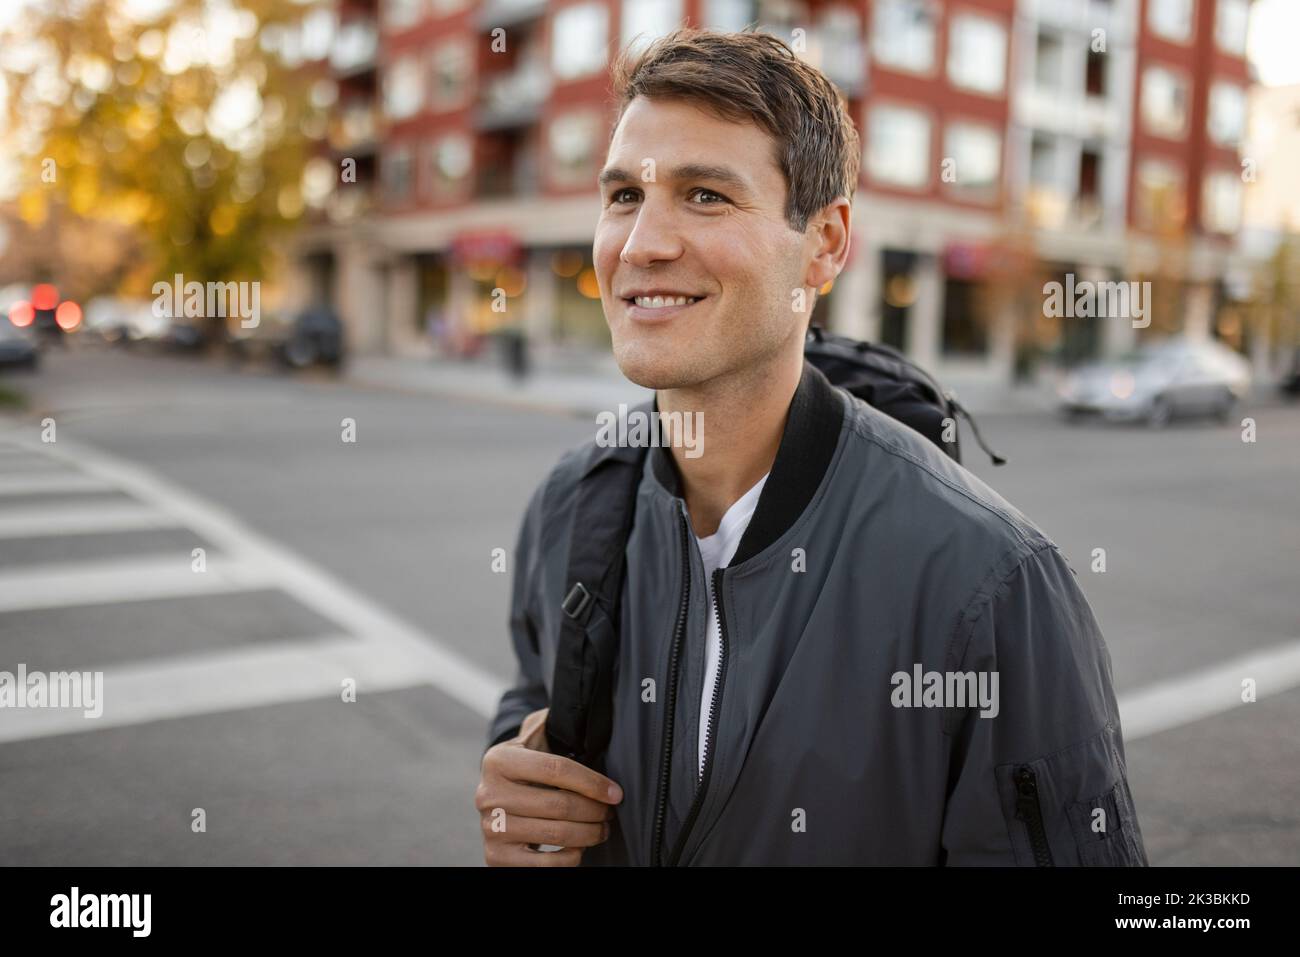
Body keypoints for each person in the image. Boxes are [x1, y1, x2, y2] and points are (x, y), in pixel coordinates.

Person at [475, 28, 1147, 867]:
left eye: (706, 196)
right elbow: (535, 701)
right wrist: (520, 780)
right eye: (623, 196)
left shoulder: (992, 583)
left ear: (825, 243)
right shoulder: (571, 503)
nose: (641, 243)